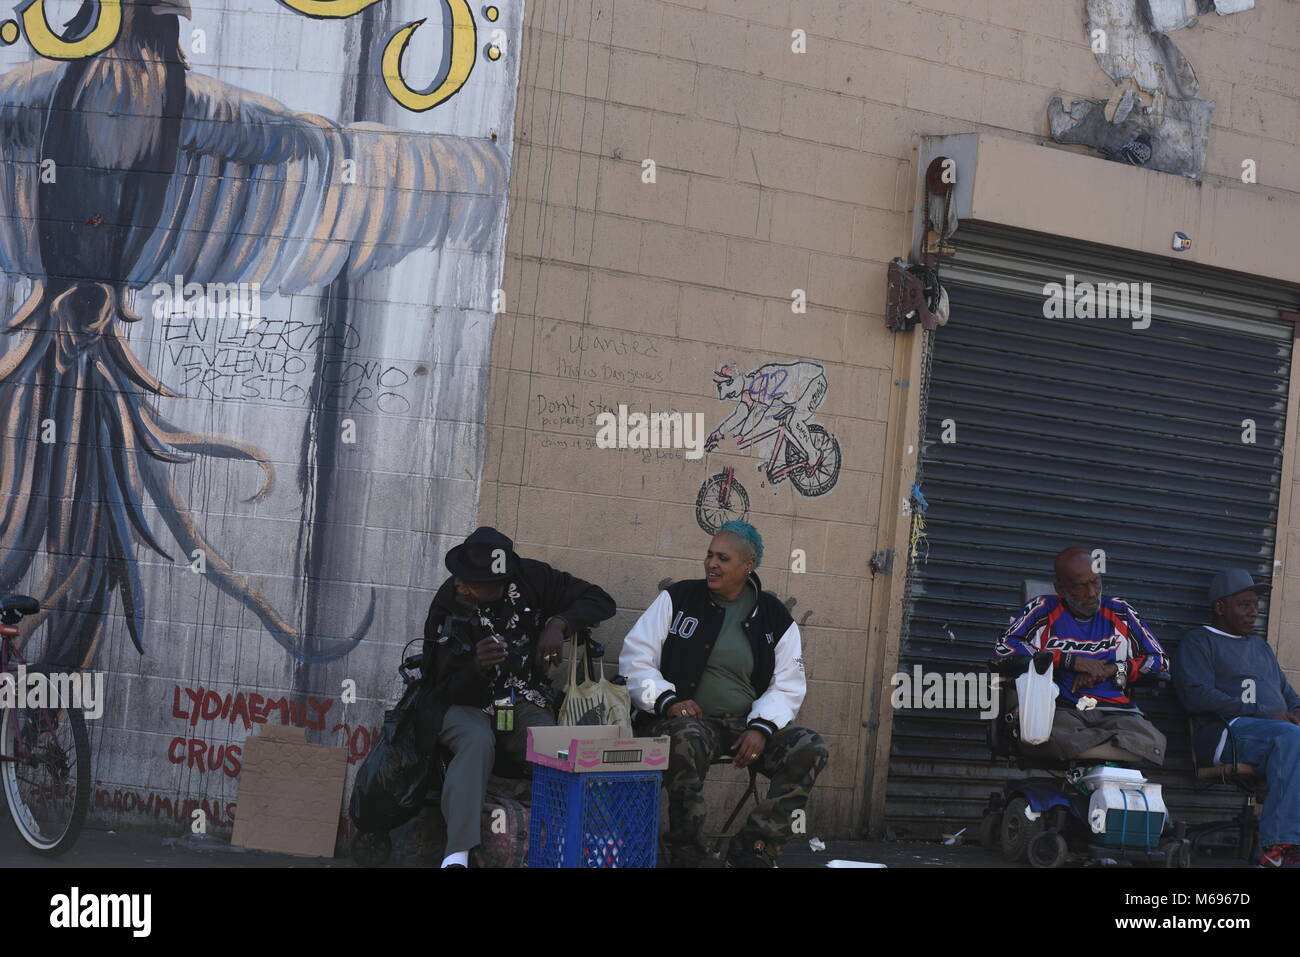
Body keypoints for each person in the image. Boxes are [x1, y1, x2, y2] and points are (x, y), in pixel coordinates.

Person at [619, 520, 828, 868]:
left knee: (809, 746)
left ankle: (754, 849)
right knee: (686, 739)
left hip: (744, 726)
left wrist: (761, 727)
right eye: (709, 555)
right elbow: (635, 659)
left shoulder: (774, 616)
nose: (711, 564)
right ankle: (688, 855)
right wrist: (667, 702)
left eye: (723, 558)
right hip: (684, 723)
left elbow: (788, 684)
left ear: (748, 565)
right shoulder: (678, 598)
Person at [419, 527, 615, 868]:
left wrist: (558, 623)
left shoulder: (533, 579)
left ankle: (577, 843)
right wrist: (475, 667)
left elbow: (600, 600)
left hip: (520, 697)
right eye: (461, 576)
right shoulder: (450, 599)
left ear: (498, 582)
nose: (460, 584)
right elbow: (436, 680)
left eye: (472, 581)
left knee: (554, 747)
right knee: (476, 741)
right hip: (464, 701)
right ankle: (456, 855)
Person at [993, 546, 1169, 765]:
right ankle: (1106, 745)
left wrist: (1111, 670)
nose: (1092, 593)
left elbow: (1160, 660)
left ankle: (1090, 745)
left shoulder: (1120, 611)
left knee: (1152, 740)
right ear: (1060, 588)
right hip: (1061, 710)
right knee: (1042, 736)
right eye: (1080, 586)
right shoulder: (1042, 609)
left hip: (1114, 711)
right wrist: (1070, 661)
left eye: (1096, 582)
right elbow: (1004, 647)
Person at [1175, 568, 1300, 868]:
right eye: (1244, 605)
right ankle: (1279, 848)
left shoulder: (1260, 647)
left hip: (1276, 733)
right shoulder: (1199, 642)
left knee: (1291, 735)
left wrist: (1296, 711)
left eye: (1255, 605)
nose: (1254, 612)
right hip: (1226, 733)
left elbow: (1289, 695)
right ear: (1220, 607)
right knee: (1290, 737)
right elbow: (1196, 695)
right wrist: (1265, 713)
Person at [706, 360, 828, 461]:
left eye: (728, 392)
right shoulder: (750, 390)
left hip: (813, 381)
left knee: (794, 422)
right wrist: (719, 432)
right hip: (796, 394)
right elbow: (740, 414)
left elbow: (758, 415)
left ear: (734, 379)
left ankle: (814, 454)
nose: (725, 396)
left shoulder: (762, 382)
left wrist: (741, 435)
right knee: (781, 423)